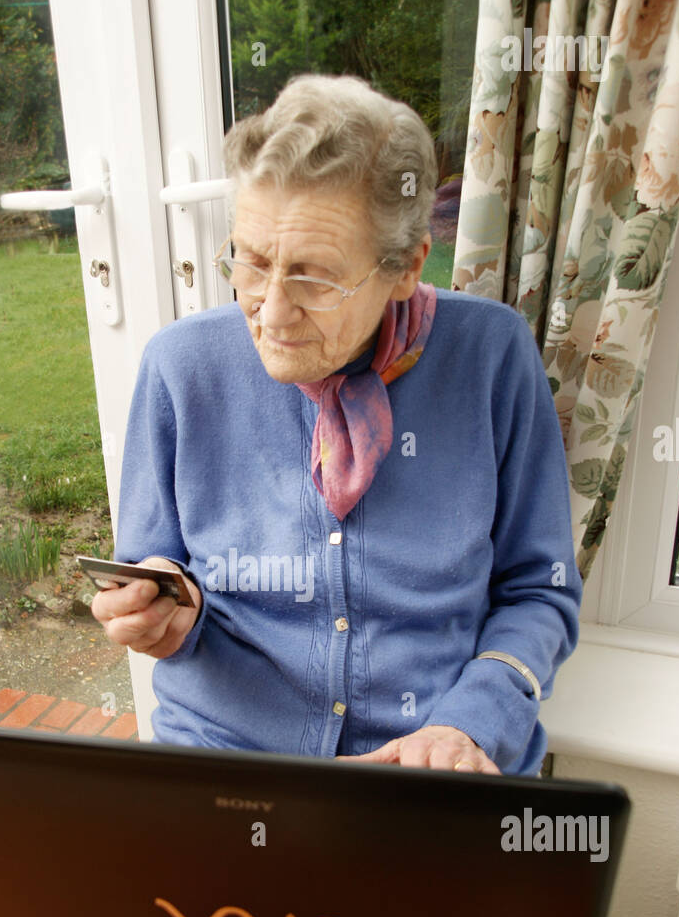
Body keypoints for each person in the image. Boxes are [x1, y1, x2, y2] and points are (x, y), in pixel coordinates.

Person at [92, 73, 582, 776]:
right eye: (251, 264)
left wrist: (466, 725)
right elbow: (154, 566)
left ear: (406, 267)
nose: (270, 311)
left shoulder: (491, 357)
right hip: (227, 761)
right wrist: (160, 605)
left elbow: (539, 589)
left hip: (435, 764)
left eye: (315, 278)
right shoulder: (180, 367)